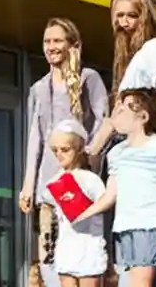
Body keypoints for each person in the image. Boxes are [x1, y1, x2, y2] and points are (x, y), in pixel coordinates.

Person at [85, 0, 156, 286]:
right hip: (133, 168)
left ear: (146, 17)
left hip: (150, 167)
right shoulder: (134, 62)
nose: (125, 22)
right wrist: (92, 152)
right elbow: (115, 119)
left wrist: (140, 131)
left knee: (151, 259)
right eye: (118, 16)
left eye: (132, 15)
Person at [21, 18, 109, 283]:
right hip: (48, 185)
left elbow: (105, 119)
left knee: (83, 249)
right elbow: (35, 137)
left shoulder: (88, 78)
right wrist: (28, 185)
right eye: (47, 41)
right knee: (48, 252)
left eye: (57, 40)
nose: (51, 47)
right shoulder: (38, 88)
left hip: (79, 182)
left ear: (73, 45)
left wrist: (91, 153)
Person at [73, 88, 156, 287]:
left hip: (152, 224)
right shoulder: (116, 154)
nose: (118, 112)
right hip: (125, 228)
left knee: (140, 282)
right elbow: (110, 195)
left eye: (125, 108)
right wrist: (83, 213)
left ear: (142, 117)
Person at [39, 119, 108, 287]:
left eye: (65, 150)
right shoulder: (55, 181)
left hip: (89, 244)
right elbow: (46, 206)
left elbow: (105, 203)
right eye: (55, 150)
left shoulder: (91, 180)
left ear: (78, 149)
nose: (59, 155)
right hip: (66, 245)